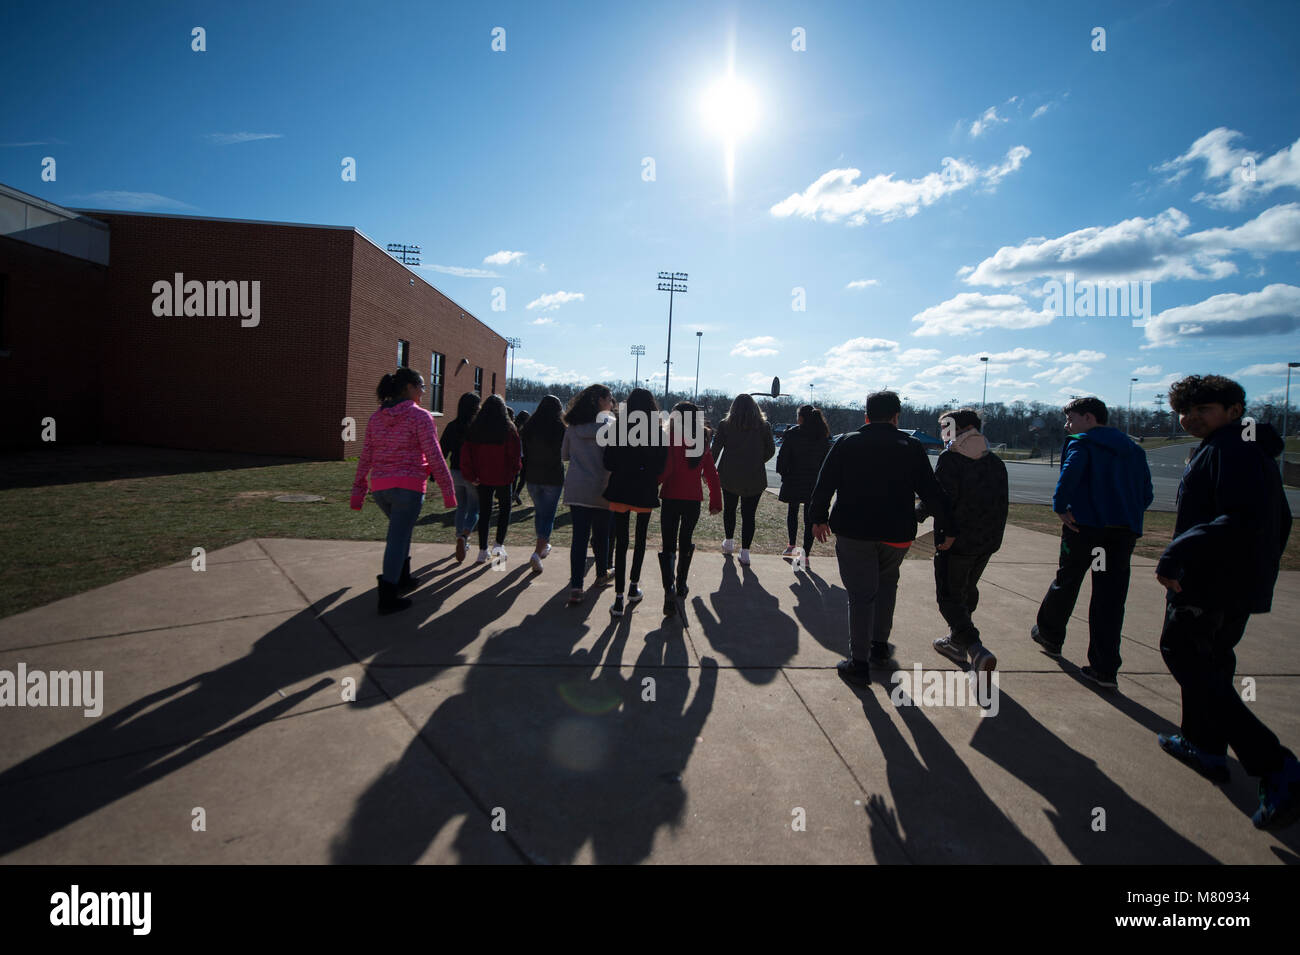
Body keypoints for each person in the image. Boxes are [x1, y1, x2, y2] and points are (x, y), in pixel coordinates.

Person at [1152, 375, 1297, 829]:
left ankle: (1275, 767)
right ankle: (1205, 746)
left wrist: (1178, 553)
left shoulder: (1231, 449)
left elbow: (1240, 517)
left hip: (1209, 583)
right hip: (1234, 583)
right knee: (1211, 664)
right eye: (1185, 410)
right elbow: (1282, 519)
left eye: (1204, 409)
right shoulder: (1241, 448)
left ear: (1234, 410)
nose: (1192, 417)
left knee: (1187, 659)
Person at [810, 390, 956, 687]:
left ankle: (859, 662)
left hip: (854, 531)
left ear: (866, 416)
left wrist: (818, 517)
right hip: (897, 533)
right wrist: (948, 525)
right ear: (896, 417)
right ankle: (878, 646)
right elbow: (932, 491)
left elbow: (824, 483)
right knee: (887, 586)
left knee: (861, 595)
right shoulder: (911, 447)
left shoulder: (847, 442)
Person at [1029, 396, 1154, 688]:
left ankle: (1050, 633)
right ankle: (1104, 667)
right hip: (1122, 532)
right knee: (1110, 598)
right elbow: (1146, 492)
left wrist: (1061, 506)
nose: (1067, 425)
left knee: (1068, 580)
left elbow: (1069, 475)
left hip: (1085, 528)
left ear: (1089, 418)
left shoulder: (1083, 443)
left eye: (1071, 419)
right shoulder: (1134, 449)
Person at [350, 368, 457, 615]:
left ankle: (403, 578)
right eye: (421, 386)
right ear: (408, 387)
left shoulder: (377, 417)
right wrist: (448, 491)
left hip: (380, 489)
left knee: (401, 531)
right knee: (397, 538)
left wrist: (359, 489)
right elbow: (434, 454)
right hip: (407, 489)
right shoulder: (419, 416)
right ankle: (388, 593)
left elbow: (366, 455)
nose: (423, 391)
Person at [918, 408, 1008, 674]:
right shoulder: (994, 462)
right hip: (987, 542)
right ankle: (956, 643)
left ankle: (974, 647)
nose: (942, 433)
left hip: (957, 541)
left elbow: (941, 498)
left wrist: (919, 516)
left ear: (962, 428)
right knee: (967, 590)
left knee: (949, 596)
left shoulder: (952, 458)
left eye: (946, 427)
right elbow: (1001, 506)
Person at [602, 388, 669, 617]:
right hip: (644, 489)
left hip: (621, 488)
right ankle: (633, 587)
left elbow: (608, 462)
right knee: (639, 540)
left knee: (621, 542)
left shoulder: (617, 428)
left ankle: (618, 598)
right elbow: (661, 466)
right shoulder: (657, 432)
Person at [658, 401, 722, 616]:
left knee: (668, 543)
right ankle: (682, 583)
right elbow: (711, 472)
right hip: (693, 499)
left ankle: (668, 588)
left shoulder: (669, 437)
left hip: (670, 495)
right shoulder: (702, 439)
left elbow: (664, 469)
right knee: (685, 540)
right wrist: (716, 500)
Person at [562, 384, 615, 606]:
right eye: (609, 399)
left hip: (577, 487)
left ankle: (576, 586)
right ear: (600, 401)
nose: (612, 403)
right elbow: (615, 459)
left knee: (579, 539)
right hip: (602, 488)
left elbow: (564, 455)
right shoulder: (611, 427)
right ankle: (601, 573)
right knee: (602, 535)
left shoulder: (572, 427)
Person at [711, 392, 776, 565]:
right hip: (754, 476)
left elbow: (716, 449)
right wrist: (756, 461)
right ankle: (745, 551)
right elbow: (770, 450)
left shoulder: (725, 425)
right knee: (749, 515)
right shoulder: (764, 426)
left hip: (729, 474)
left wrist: (709, 469)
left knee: (730, 510)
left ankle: (729, 541)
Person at [460, 395, 522, 564]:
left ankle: (482, 550)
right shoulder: (509, 429)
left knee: (485, 513)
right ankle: (498, 546)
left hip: (482, 478)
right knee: (504, 511)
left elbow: (466, 454)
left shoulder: (475, 428)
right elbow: (515, 455)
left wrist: (471, 476)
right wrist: (514, 472)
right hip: (503, 477)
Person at [775, 404, 832, 569]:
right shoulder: (822, 436)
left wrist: (784, 473)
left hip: (793, 479)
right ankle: (805, 553)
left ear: (801, 418)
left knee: (792, 512)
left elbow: (783, 458)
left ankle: (791, 546)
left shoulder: (793, 434)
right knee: (809, 518)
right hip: (813, 482)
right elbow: (825, 462)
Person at [518, 397, 565, 574]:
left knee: (540, 512)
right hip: (552, 477)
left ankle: (543, 546)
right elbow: (565, 453)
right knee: (548, 515)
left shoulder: (529, 427)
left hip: (533, 476)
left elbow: (525, 452)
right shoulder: (560, 428)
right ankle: (538, 552)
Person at [439, 392, 482, 563]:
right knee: (474, 508)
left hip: (455, 471)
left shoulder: (452, 426)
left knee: (461, 506)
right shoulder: (477, 427)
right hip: (473, 473)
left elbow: (442, 450)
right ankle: (464, 536)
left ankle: (459, 536)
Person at [512, 410, 532, 505]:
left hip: (516, 455)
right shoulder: (527, 430)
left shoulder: (513, 427)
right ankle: (517, 492)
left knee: (515, 476)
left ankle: (512, 493)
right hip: (525, 456)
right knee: (523, 477)